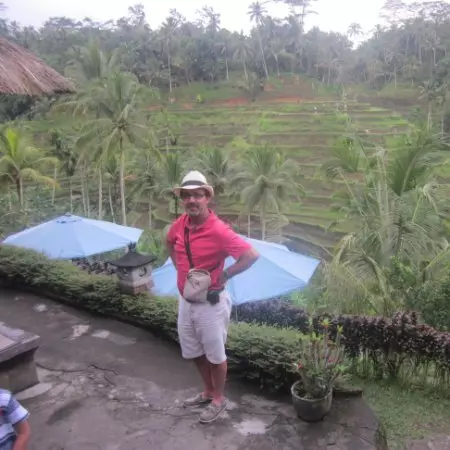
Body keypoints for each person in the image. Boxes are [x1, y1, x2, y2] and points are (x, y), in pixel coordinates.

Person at [166, 170, 259, 424]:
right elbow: (168, 241)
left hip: (211, 304)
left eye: (198, 195)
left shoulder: (219, 230)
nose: (192, 200)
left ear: (207, 198)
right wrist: (180, 269)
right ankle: (207, 391)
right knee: (193, 351)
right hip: (186, 301)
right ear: (182, 199)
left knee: (215, 355)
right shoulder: (180, 224)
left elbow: (250, 255)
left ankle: (218, 398)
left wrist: (225, 276)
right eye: (187, 196)